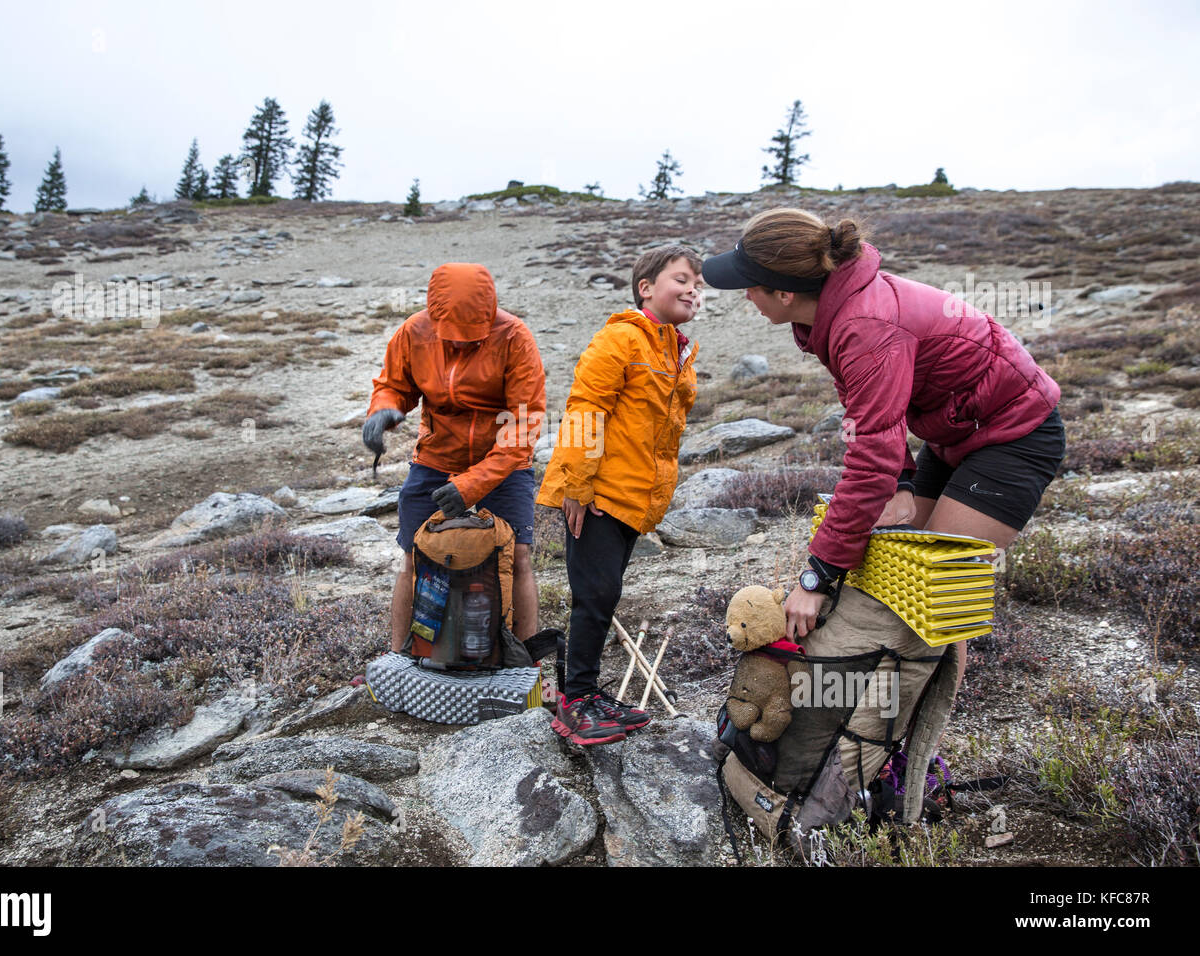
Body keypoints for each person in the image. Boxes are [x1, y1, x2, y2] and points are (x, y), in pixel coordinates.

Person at [701, 209, 1064, 682]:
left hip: (1017, 435)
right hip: (953, 434)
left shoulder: (865, 324)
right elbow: (867, 414)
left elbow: (869, 457)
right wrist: (901, 478)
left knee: (939, 594)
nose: (746, 295)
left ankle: (924, 745)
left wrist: (816, 577)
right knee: (897, 577)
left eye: (750, 285)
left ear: (785, 292)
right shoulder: (833, 311)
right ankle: (882, 725)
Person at [536, 245, 702, 744]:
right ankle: (574, 703)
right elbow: (586, 409)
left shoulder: (675, 349)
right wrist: (577, 487)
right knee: (596, 595)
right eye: (682, 279)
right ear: (645, 287)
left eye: (698, 283)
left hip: (633, 498)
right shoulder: (621, 338)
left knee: (604, 594)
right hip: (599, 493)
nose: (693, 289)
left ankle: (586, 693)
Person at [363, 262, 546, 653]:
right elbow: (395, 385)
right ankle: (400, 655)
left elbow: (522, 427)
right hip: (435, 457)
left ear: (490, 312)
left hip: (503, 463)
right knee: (413, 556)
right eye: (453, 338)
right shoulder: (414, 331)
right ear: (434, 313)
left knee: (518, 557)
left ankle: (528, 663)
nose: (461, 345)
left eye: (472, 338)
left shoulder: (514, 337)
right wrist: (383, 410)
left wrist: (470, 485)